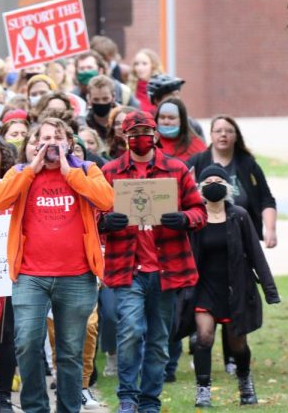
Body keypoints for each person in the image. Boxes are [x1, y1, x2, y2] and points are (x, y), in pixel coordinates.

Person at [0, 117, 114, 413]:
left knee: (70, 351)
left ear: (69, 144)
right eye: (43, 139)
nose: (50, 145)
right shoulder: (20, 172)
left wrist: (71, 173)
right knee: (27, 344)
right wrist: (31, 170)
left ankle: (68, 408)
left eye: (57, 138)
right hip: (31, 276)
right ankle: (35, 408)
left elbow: (107, 201)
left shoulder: (86, 170)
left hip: (77, 275)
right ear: (34, 145)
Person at [99, 111, 207, 413]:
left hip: (166, 268)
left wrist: (183, 218)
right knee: (130, 330)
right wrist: (105, 222)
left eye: (146, 131)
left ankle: (149, 401)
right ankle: (127, 397)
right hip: (127, 268)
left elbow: (200, 212)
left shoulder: (176, 169)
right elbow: (93, 217)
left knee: (159, 339)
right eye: (133, 133)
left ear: (155, 134)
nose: (140, 137)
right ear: (124, 136)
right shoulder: (110, 172)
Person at [186, 165, 280, 408]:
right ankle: (203, 390)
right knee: (204, 337)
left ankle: (245, 382)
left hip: (235, 288)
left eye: (218, 180)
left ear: (228, 187)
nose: (213, 184)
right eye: (208, 181)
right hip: (205, 288)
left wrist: (270, 290)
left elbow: (255, 253)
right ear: (200, 188)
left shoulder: (239, 215)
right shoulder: (194, 218)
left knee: (238, 343)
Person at [188, 115, 278, 248]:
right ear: (211, 135)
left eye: (229, 131)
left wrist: (270, 230)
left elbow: (266, 198)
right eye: (218, 131)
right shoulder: (197, 162)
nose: (223, 134)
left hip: (243, 236)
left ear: (236, 136)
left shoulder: (248, 164)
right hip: (206, 236)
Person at [127, 48, 163, 115]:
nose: (139, 68)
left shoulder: (161, 89)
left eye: (144, 64)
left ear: (153, 66)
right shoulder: (128, 89)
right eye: (136, 64)